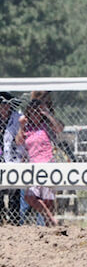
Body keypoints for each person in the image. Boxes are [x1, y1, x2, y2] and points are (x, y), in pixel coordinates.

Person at [15, 99, 62, 226]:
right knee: (30, 197)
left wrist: (47, 114)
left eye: (37, 112)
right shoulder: (27, 128)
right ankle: (52, 219)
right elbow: (18, 141)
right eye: (32, 112)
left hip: (48, 163)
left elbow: (59, 128)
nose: (35, 115)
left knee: (48, 200)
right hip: (33, 166)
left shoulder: (46, 126)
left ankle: (48, 226)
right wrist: (22, 126)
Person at [0, 93, 23, 225]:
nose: (3, 108)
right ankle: (1, 218)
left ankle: (14, 220)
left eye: (6, 105)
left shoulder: (17, 118)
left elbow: (18, 140)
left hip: (13, 157)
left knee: (14, 190)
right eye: (1, 105)